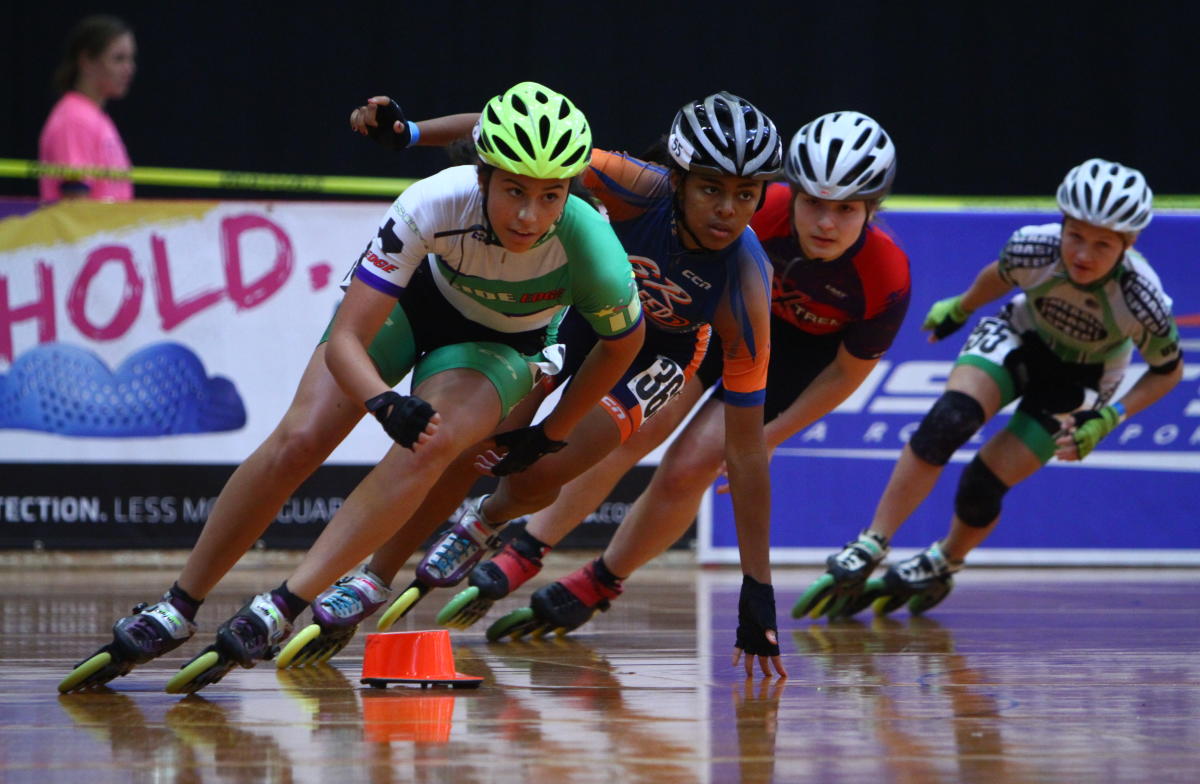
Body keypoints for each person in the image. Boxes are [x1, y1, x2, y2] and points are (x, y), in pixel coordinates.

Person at [58, 81, 644, 693]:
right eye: (514, 191)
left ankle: (283, 604)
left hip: (501, 345)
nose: (529, 215)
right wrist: (380, 399)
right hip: (420, 304)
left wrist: (552, 433)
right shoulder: (431, 202)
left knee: (432, 442)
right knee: (301, 437)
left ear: (570, 192)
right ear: (482, 175)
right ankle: (178, 604)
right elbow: (347, 342)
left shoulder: (592, 246)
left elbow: (621, 345)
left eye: (550, 196)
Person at [281, 90, 787, 678]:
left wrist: (758, 585)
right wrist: (416, 133)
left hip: (660, 348)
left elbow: (745, 449)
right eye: (710, 189)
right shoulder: (635, 184)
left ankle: (488, 521)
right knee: (479, 440)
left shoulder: (748, 285)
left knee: (543, 471)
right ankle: (376, 574)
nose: (728, 209)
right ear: (676, 180)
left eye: (745, 195)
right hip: (586, 308)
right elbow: (514, 136)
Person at [461, 111, 909, 672]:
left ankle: (601, 579)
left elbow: (845, 376)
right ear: (788, 191)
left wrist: (770, 437)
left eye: (845, 208)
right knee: (626, 429)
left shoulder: (886, 275)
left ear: (872, 209)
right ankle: (529, 545)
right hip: (708, 327)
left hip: (793, 361)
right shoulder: (750, 210)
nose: (824, 221)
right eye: (813, 202)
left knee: (691, 464)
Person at [794, 157, 1183, 620]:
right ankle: (871, 542)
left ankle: (944, 561)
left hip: (1084, 376)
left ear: (1129, 244)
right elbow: (998, 277)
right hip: (1023, 337)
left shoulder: (1144, 299)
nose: (1082, 255)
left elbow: (1168, 372)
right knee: (947, 422)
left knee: (983, 484)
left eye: (1102, 244)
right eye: (1075, 235)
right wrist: (960, 307)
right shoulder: (1032, 248)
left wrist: (1110, 416)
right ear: (1062, 223)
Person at [39, 15, 136, 201]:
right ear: (86, 61)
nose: (129, 68)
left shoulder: (96, 117)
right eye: (119, 59)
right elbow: (75, 203)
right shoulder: (74, 118)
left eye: (131, 59)